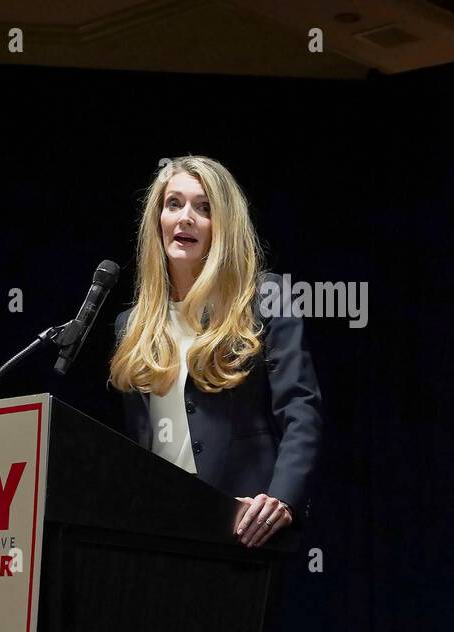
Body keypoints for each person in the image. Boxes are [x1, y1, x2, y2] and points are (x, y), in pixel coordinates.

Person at [110, 155, 322, 548]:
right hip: (157, 529)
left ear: (223, 226)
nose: (186, 217)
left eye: (203, 208)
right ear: (158, 220)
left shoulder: (264, 298)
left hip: (243, 527)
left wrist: (281, 499)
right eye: (174, 204)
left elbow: (301, 410)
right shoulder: (132, 325)